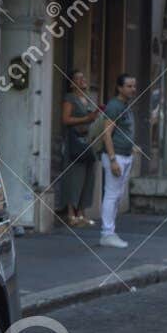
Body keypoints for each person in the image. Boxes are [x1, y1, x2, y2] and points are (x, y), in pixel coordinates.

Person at [98, 73, 140, 249]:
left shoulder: (125, 105)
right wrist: (113, 159)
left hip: (125, 155)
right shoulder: (114, 106)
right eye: (129, 86)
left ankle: (110, 231)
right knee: (111, 194)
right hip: (116, 157)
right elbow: (106, 134)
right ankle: (107, 233)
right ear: (119, 88)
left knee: (117, 196)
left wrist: (131, 146)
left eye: (134, 86)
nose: (133, 89)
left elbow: (122, 131)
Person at [58, 71, 101, 227]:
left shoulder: (88, 99)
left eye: (84, 77)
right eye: (79, 78)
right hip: (75, 142)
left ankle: (82, 214)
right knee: (74, 177)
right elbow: (65, 119)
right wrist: (86, 118)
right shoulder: (70, 98)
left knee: (88, 177)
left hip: (89, 142)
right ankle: (71, 214)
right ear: (72, 83)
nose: (83, 80)